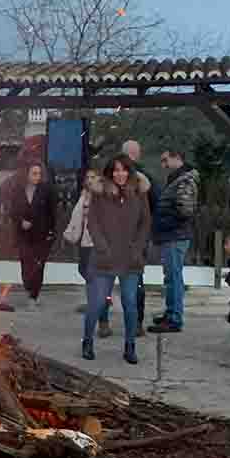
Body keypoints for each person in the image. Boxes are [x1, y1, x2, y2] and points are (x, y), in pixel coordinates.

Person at [82, 154, 151, 365]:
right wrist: (102, 247)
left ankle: (130, 346)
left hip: (130, 259)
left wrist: (137, 248)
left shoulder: (139, 194)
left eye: (124, 170)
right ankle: (87, 341)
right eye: (115, 170)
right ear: (110, 172)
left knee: (130, 304)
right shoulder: (101, 193)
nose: (119, 174)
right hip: (105, 258)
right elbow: (92, 222)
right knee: (96, 303)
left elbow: (145, 223)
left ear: (130, 172)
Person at [149, 150, 200, 334]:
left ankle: (174, 318)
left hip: (175, 236)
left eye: (165, 160)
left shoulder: (185, 180)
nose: (163, 165)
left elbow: (185, 210)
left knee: (174, 278)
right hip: (172, 235)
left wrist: (164, 222)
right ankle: (171, 313)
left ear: (177, 157)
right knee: (171, 277)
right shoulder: (178, 178)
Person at [64, 167, 112, 336]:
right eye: (88, 177)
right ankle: (99, 302)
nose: (90, 179)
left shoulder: (104, 195)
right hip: (85, 241)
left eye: (93, 177)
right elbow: (76, 217)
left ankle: (103, 320)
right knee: (86, 273)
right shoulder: (84, 195)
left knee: (97, 282)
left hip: (98, 244)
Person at [3, 161, 58, 304]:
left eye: (39, 174)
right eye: (34, 173)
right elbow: (12, 211)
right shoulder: (17, 190)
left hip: (42, 234)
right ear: (27, 174)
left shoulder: (47, 190)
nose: (37, 176)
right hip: (23, 234)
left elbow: (53, 213)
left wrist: (51, 232)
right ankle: (28, 288)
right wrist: (21, 221)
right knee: (26, 264)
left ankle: (34, 295)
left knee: (38, 265)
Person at [121, 140, 158, 336]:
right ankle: (136, 323)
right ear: (138, 153)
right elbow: (155, 203)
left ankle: (103, 321)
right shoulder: (146, 177)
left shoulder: (112, 176)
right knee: (136, 280)